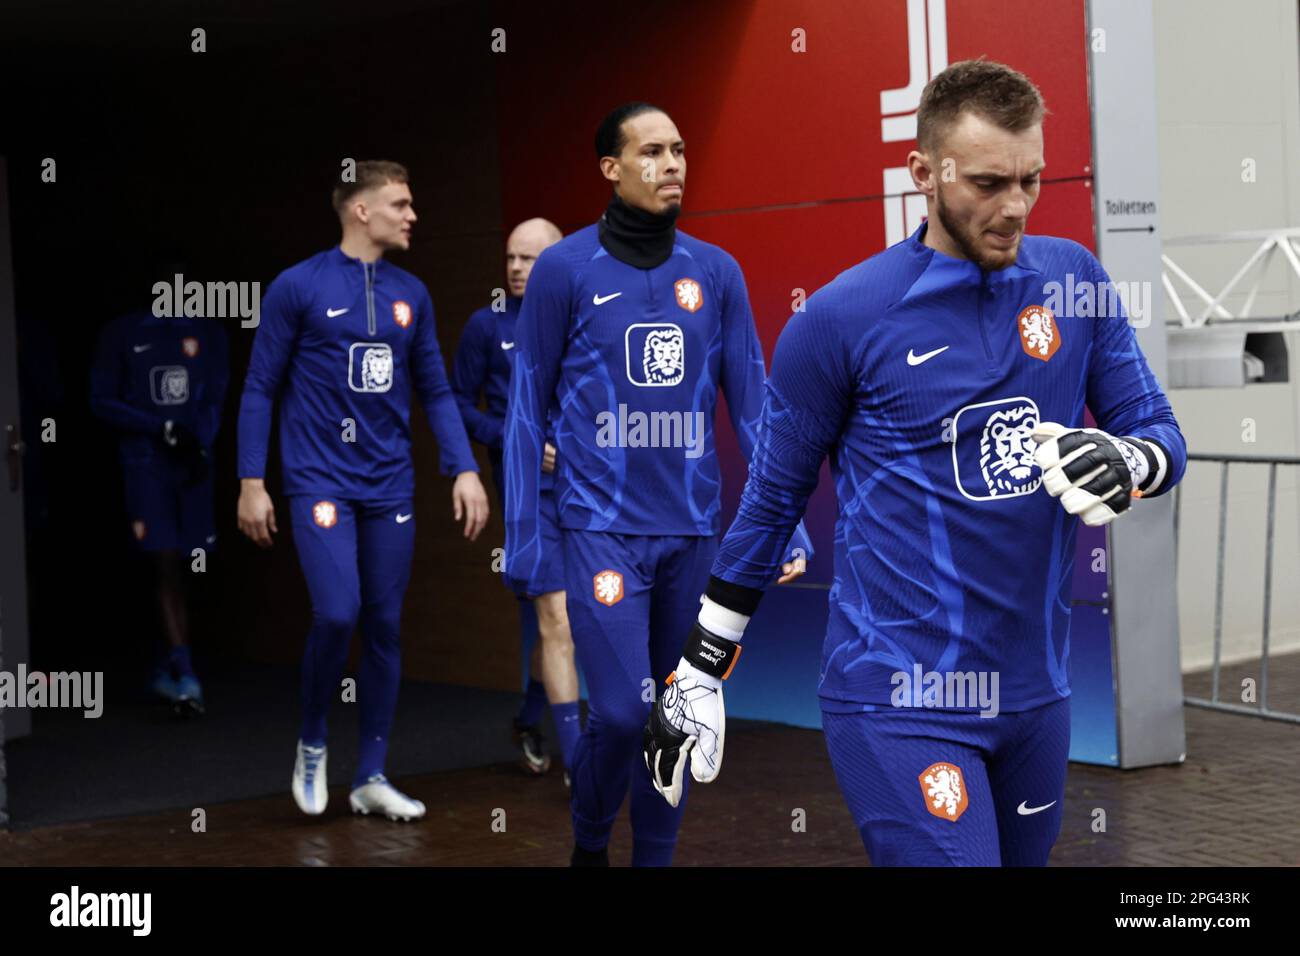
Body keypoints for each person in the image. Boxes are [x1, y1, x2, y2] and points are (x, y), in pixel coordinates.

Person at [644, 59, 1187, 866]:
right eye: (988, 182)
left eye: (1032, 181)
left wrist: (1130, 459)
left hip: (1036, 697)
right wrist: (699, 669)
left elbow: (1160, 432)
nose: (1014, 207)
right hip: (897, 699)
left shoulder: (1076, 282)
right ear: (923, 173)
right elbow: (770, 507)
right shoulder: (840, 319)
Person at [505, 103, 811, 866]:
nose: (672, 163)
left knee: (676, 718)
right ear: (611, 169)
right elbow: (522, 413)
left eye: (679, 149)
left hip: (693, 535)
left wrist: (787, 523)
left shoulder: (715, 272)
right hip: (600, 530)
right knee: (617, 713)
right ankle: (587, 844)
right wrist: (522, 536)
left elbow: (755, 401)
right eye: (651, 151)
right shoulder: (563, 272)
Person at [236, 160, 489, 821]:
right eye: (400, 204)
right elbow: (261, 385)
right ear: (361, 211)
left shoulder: (414, 292)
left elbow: (434, 388)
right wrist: (251, 481)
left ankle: (372, 774)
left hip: (390, 485)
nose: (412, 215)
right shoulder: (299, 286)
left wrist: (463, 467)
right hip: (319, 480)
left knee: (382, 622)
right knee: (338, 612)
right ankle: (314, 741)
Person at [452, 217, 582, 782]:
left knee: (580, 621)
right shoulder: (486, 326)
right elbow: (455, 402)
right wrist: (515, 437)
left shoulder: (584, 318)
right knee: (556, 616)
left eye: (528, 259)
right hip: (528, 494)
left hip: (592, 492)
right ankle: (582, 763)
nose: (515, 269)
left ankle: (531, 717)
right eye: (510, 258)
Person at [91, 295, 229, 715]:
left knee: (195, 563)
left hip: (192, 468)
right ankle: (186, 675)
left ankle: (166, 660)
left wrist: (199, 441)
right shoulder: (123, 332)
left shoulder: (208, 331)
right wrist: (158, 427)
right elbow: (99, 399)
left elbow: (216, 395)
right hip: (146, 465)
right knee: (163, 561)